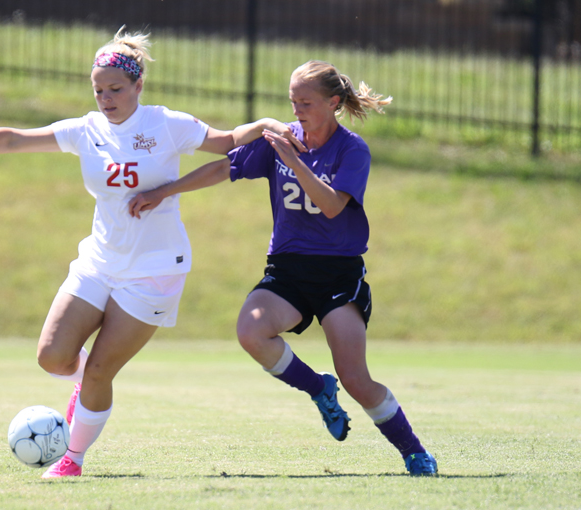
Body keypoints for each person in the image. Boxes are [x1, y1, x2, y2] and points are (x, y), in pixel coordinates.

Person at [0, 27, 288, 478]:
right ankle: (82, 391)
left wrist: (266, 125)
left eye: (115, 89)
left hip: (154, 269)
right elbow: (14, 137)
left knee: (98, 372)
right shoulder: (84, 130)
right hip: (99, 261)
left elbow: (227, 141)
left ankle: (71, 459)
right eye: (98, 90)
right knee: (53, 356)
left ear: (138, 86)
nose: (106, 98)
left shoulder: (166, 124)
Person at [128, 60, 438, 476]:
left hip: (337, 274)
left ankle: (414, 451)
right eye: (293, 102)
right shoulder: (282, 140)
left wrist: (295, 162)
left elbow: (331, 206)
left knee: (357, 380)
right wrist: (164, 192)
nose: (297, 111)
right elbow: (224, 167)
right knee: (250, 332)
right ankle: (317, 388)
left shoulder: (351, 149)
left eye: (306, 102)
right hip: (288, 268)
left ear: (333, 103)